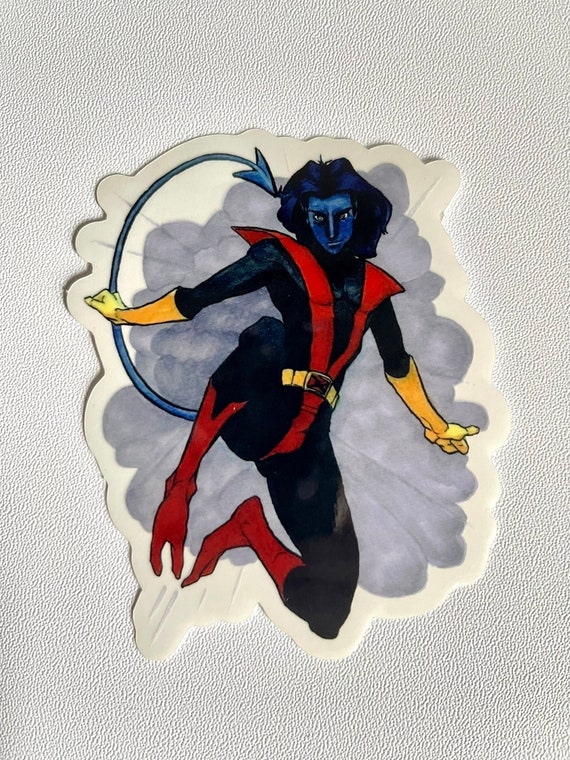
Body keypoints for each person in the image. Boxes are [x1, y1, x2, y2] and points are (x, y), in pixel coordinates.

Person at [86, 158, 478, 639]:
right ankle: (181, 482)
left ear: (359, 214)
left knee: (330, 613)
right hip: (257, 414)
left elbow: (398, 366)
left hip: (305, 449)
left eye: (342, 215)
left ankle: (249, 527)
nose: (331, 229)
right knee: (267, 336)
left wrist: (437, 426)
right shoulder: (278, 259)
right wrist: (126, 315)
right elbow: (194, 300)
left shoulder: (374, 291)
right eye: (319, 216)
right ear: (303, 217)